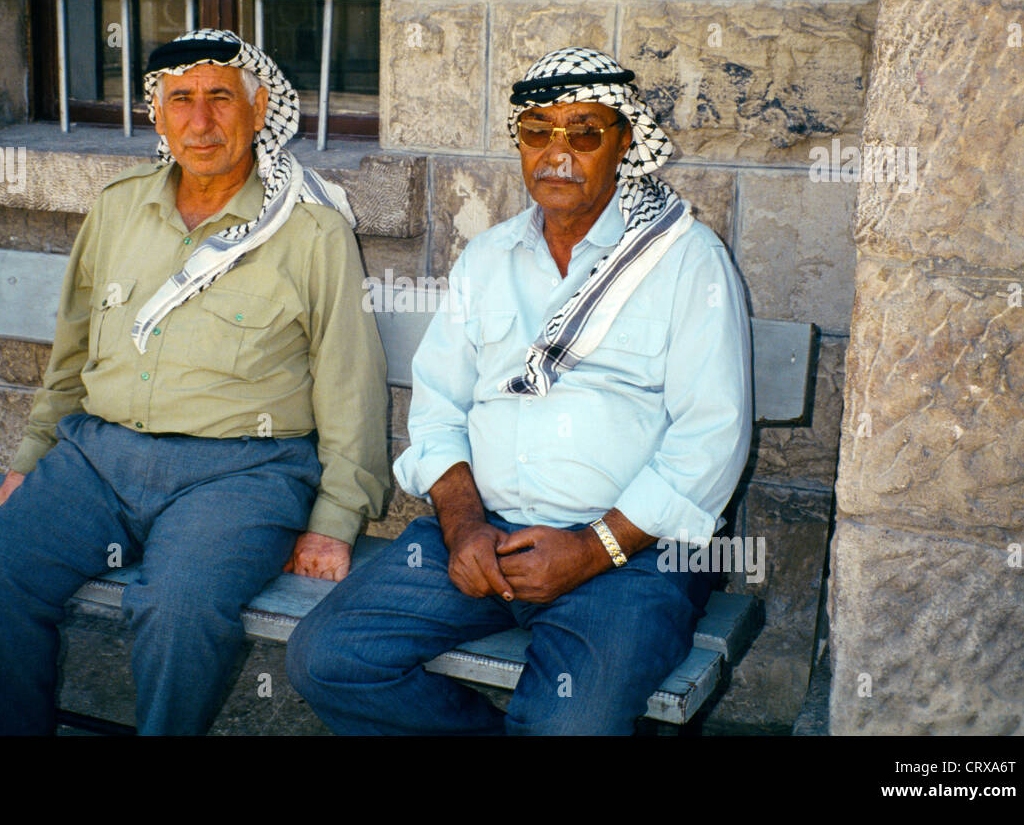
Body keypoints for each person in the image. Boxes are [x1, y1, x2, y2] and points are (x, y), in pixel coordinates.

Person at [287, 46, 752, 734]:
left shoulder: (687, 261)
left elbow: (710, 441)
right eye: (538, 131)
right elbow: (439, 409)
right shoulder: (488, 256)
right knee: (328, 658)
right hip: (485, 537)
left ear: (624, 143)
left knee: (570, 723)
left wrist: (592, 550)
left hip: (630, 555)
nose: (556, 154)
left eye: (584, 133)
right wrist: (465, 525)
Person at [0, 29, 389, 735]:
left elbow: (351, 382)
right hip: (97, 459)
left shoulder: (311, 232)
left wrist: (336, 520)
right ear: (155, 114)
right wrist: (30, 459)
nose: (201, 120)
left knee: (178, 609)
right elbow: (72, 353)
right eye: (180, 99)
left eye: (220, 97)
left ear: (259, 105)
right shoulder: (119, 208)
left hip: (243, 473)